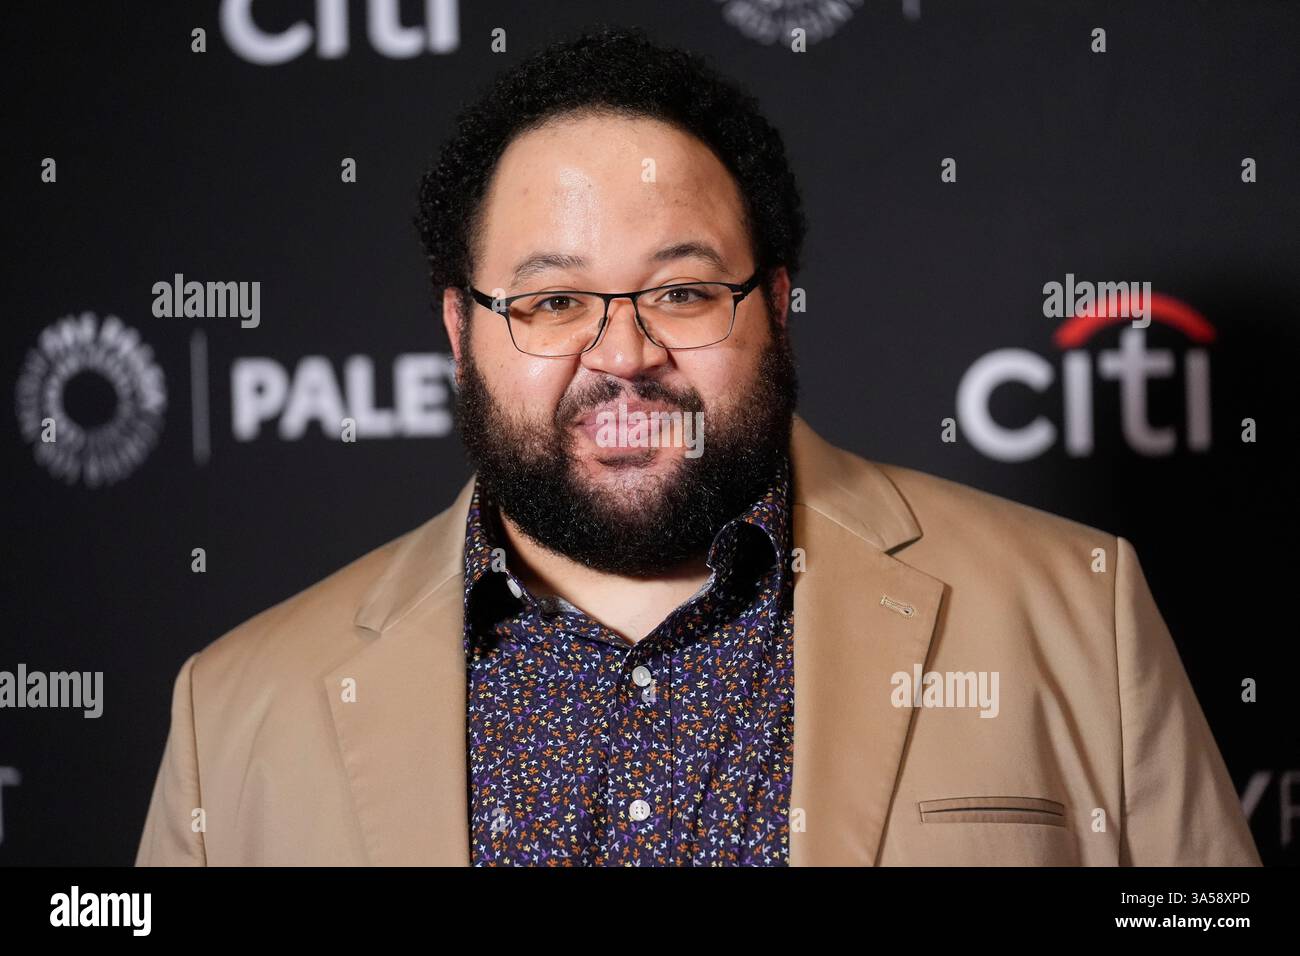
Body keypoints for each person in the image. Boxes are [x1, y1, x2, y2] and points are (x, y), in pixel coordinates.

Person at [136, 26, 1260, 866]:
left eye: (681, 289)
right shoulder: (237, 711)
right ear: (458, 327)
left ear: (775, 299)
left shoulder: (1077, 612)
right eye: (552, 301)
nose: (622, 354)